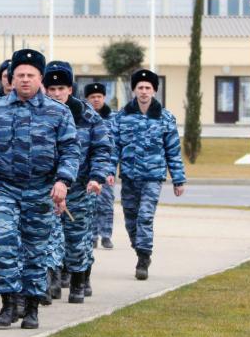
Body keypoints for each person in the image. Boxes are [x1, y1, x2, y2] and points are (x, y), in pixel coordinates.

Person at [0, 49, 79, 330]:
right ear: (11, 78)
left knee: (35, 251)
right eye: (20, 75)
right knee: (4, 244)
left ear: (40, 78)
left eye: (30, 75)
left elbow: (70, 151)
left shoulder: (58, 112)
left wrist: (63, 181)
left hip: (41, 190)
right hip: (5, 188)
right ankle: (7, 304)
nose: (25, 80)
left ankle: (31, 308)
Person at [43, 62, 112, 304]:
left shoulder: (87, 116)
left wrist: (96, 177)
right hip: (48, 189)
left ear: (70, 90)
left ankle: (79, 281)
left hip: (80, 188)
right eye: (51, 89)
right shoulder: (39, 114)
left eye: (60, 88)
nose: (56, 94)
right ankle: (51, 281)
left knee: (76, 238)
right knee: (49, 235)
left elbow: (103, 149)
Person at [112, 69, 187, 280]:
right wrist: (108, 172)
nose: (144, 91)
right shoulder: (121, 117)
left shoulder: (165, 118)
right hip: (129, 176)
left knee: (145, 217)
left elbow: (173, 150)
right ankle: (140, 249)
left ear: (154, 91)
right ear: (134, 90)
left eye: (148, 88)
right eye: (140, 88)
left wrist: (178, 179)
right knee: (131, 220)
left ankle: (143, 259)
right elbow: (113, 148)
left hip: (153, 177)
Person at [84, 82, 117, 250]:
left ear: (104, 98)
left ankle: (106, 235)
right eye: (92, 97)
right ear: (87, 99)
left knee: (106, 203)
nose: (96, 100)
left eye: (99, 97)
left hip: (106, 169)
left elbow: (114, 147)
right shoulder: (83, 118)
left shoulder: (112, 119)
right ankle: (93, 235)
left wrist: (110, 171)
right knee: (90, 204)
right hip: (87, 169)